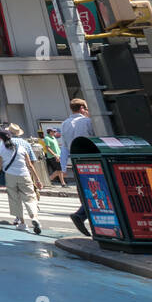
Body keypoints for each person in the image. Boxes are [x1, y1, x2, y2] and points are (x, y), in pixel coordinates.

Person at [0, 126, 42, 234]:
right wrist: (37, 179)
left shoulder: (0, 149)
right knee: (30, 197)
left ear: (0, 138)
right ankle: (34, 217)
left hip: (10, 175)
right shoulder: (21, 147)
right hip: (25, 174)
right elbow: (30, 165)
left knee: (15, 199)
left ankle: (22, 223)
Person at [60, 98, 94, 236]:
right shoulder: (87, 121)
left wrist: (63, 167)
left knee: (84, 191)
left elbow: (64, 147)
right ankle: (82, 214)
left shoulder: (64, 124)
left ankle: (84, 215)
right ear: (82, 108)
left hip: (76, 161)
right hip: (92, 159)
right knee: (99, 190)